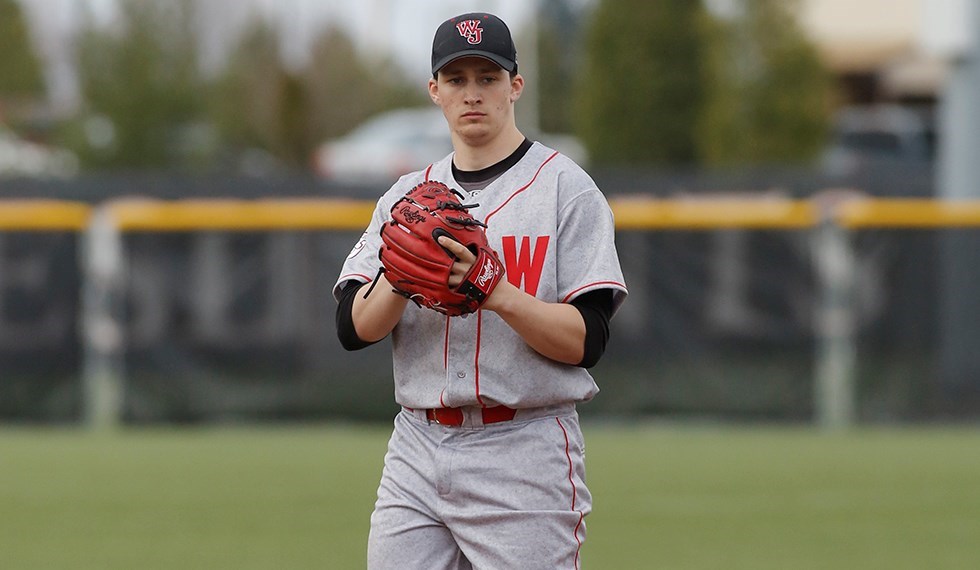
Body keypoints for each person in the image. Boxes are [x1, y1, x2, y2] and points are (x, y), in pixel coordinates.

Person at [334, 12, 627, 569]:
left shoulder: (566, 188)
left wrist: (496, 291)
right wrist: (401, 272)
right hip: (416, 448)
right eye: (457, 79)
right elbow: (353, 329)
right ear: (435, 91)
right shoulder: (406, 199)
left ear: (516, 86)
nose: (473, 93)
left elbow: (588, 340)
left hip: (523, 450)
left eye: (488, 78)